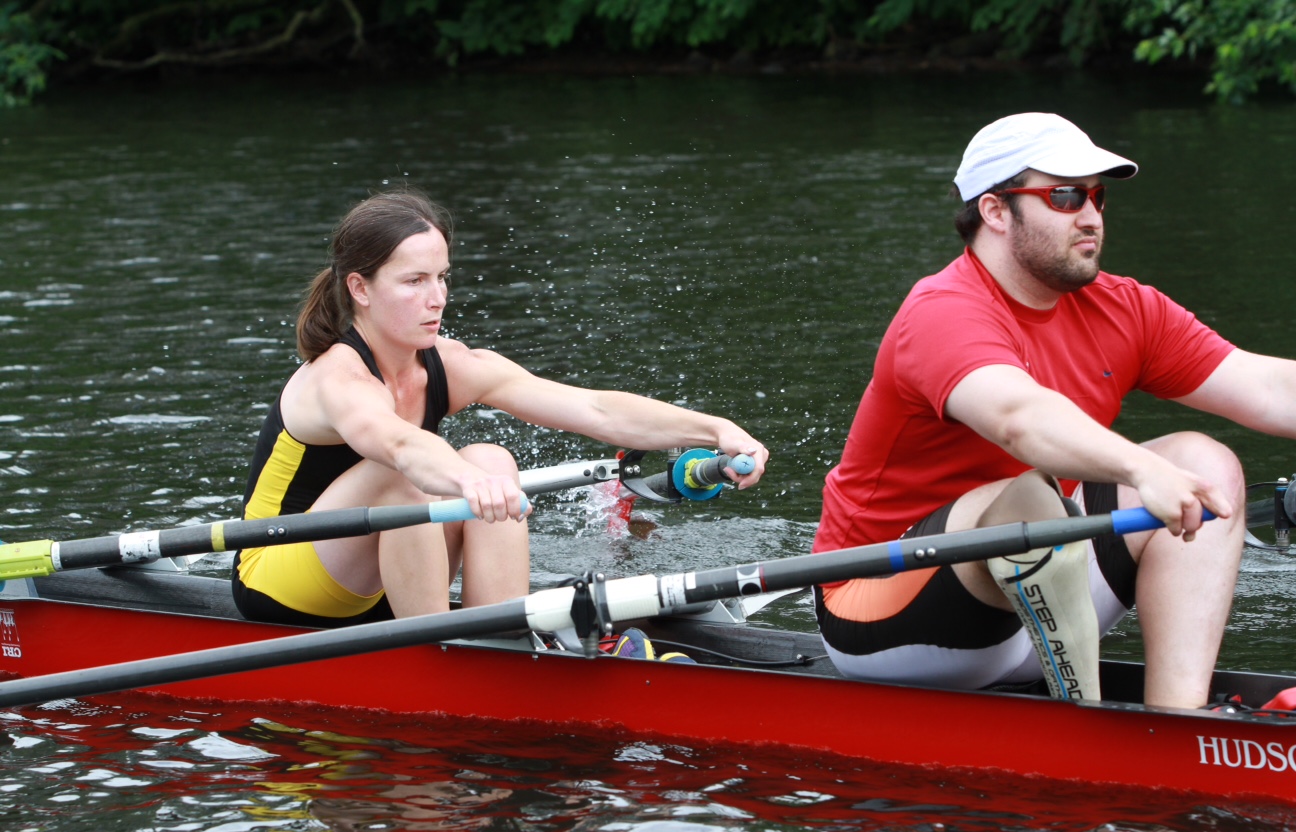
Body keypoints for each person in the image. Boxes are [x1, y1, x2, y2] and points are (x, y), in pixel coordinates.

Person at [813, 112, 1296, 710]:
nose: (1091, 215)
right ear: (994, 211)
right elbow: (1020, 418)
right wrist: (1143, 472)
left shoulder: (1125, 308)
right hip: (879, 612)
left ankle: (1179, 724)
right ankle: (1090, 727)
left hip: (1037, 592)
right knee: (1030, 499)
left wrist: (1167, 474)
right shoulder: (941, 311)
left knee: (1206, 464)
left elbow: (1271, 389)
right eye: (1065, 196)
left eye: (1096, 197)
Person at [232, 189, 767, 628]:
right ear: (360, 288)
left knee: (491, 457)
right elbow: (397, 443)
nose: (436, 297)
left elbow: (596, 411)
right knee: (403, 477)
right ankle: (436, 658)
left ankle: (496, 639)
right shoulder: (338, 377)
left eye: (441, 277)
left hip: (383, 575)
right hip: (279, 575)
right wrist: (461, 478)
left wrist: (716, 428)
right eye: (414, 281)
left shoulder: (448, 363)